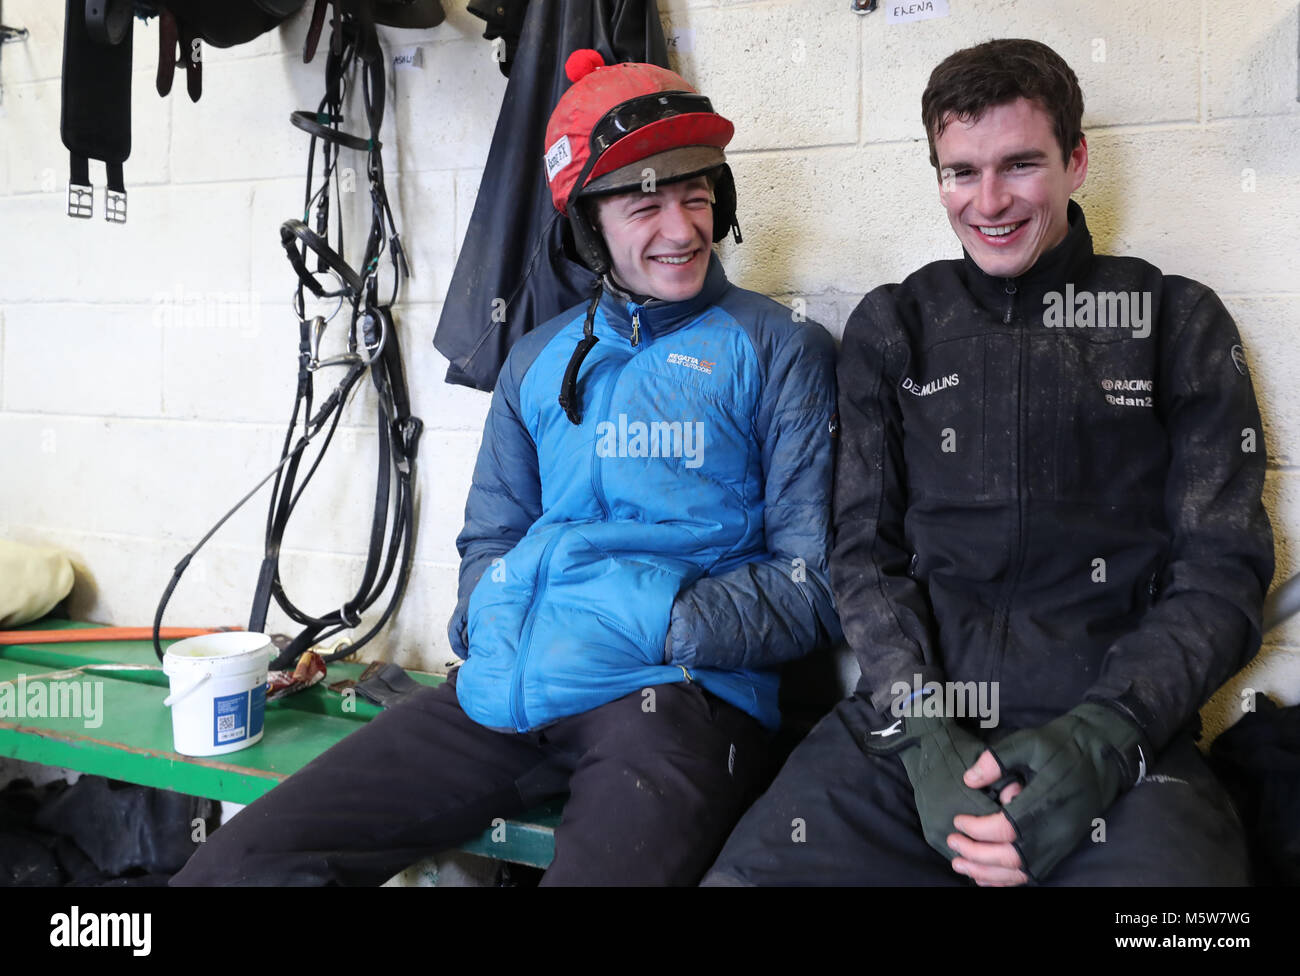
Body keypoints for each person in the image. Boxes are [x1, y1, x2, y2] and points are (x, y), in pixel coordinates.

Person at [170, 49, 839, 886]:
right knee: (235, 869)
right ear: (588, 226)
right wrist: (489, 617)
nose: (682, 229)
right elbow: (490, 534)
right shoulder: (534, 360)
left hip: (674, 699)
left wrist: (647, 621)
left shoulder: (779, 352)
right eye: (644, 204)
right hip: (506, 684)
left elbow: (813, 585)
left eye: (697, 196)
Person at [703, 37, 1273, 886]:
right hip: (905, 734)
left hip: (1123, 739)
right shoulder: (895, 325)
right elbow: (861, 555)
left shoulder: (1173, 322)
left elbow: (1223, 571)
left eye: (1019, 165)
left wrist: (1105, 738)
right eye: (960, 172)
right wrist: (924, 730)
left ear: (1077, 161)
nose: (990, 201)